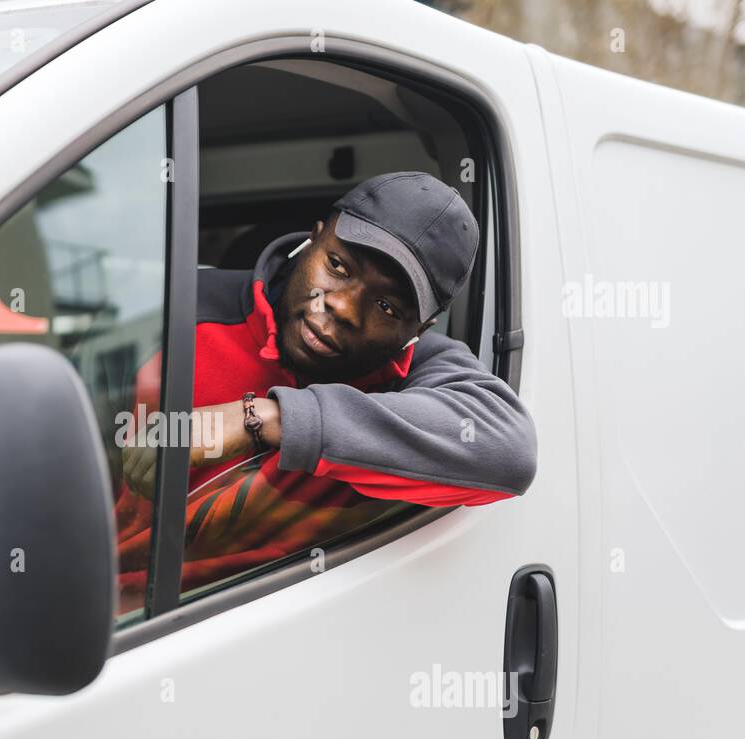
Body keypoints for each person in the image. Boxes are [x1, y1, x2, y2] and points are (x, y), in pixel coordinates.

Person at [116, 171, 537, 608]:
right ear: (312, 239)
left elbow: (510, 452)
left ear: (419, 329)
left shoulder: (411, 377)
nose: (340, 305)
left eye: (386, 306)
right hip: (126, 622)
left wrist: (262, 419)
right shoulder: (181, 314)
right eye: (338, 266)